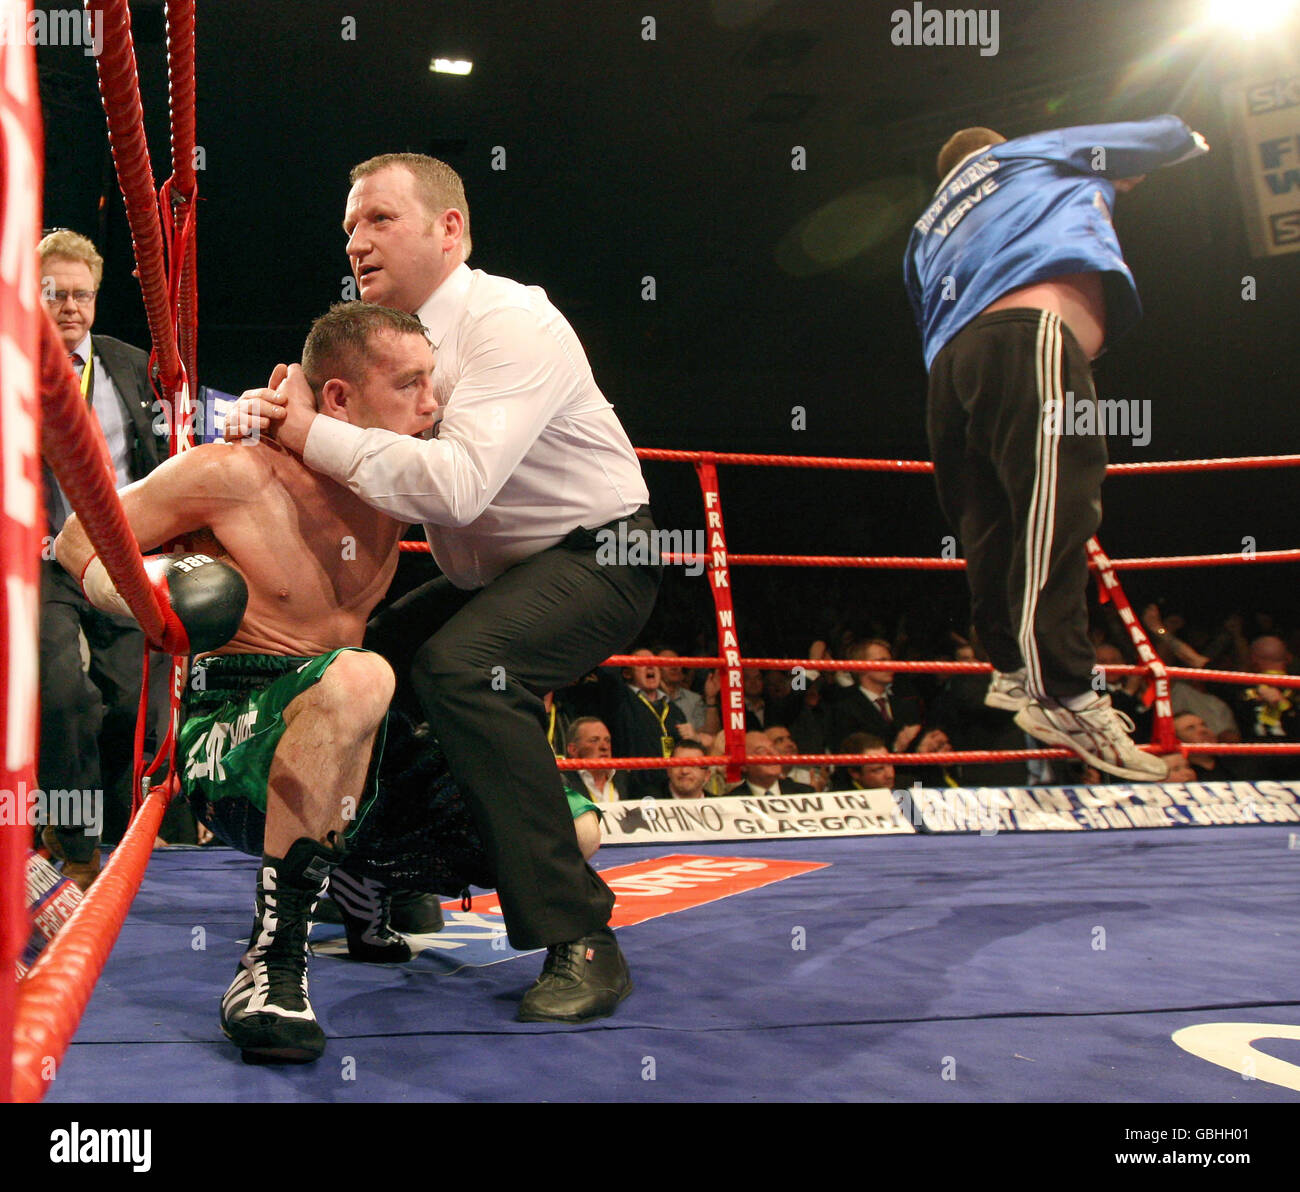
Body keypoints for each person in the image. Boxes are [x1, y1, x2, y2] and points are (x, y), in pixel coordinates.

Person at [225, 153, 659, 1023]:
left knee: (463, 670)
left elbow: (459, 485)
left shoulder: (511, 321)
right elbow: (294, 409)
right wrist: (256, 415)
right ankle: (388, 879)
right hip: (494, 577)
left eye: (379, 219)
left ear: (449, 229)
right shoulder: (376, 336)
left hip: (599, 556)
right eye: (350, 226)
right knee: (359, 673)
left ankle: (583, 938)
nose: (356, 240)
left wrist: (310, 430)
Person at [56, 303, 444, 1062]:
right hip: (229, 726)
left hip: (339, 735)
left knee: (574, 827)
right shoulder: (232, 473)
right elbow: (76, 542)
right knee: (366, 675)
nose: (433, 403)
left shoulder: (402, 479)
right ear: (338, 398)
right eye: (411, 384)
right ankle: (271, 960)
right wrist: (161, 585)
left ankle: (357, 876)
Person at [904, 116, 1209, 781]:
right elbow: (1162, 132)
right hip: (1026, 333)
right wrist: (1183, 139)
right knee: (1057, 505)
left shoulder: (927, 225)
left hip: (951, 369)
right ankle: (1068, 689)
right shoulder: (1025, 154)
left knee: (992, 524)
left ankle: (1013, 670)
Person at [37, 230, 169, 887]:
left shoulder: (132, 365)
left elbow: (168, 461)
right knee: (63, 697)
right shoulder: (10, 369)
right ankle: (73, 843)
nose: (68, 307)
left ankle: (108, 842)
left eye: (80, 295)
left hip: (120, 557)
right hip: (41, 556)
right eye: (53, 294)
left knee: (126, 707)